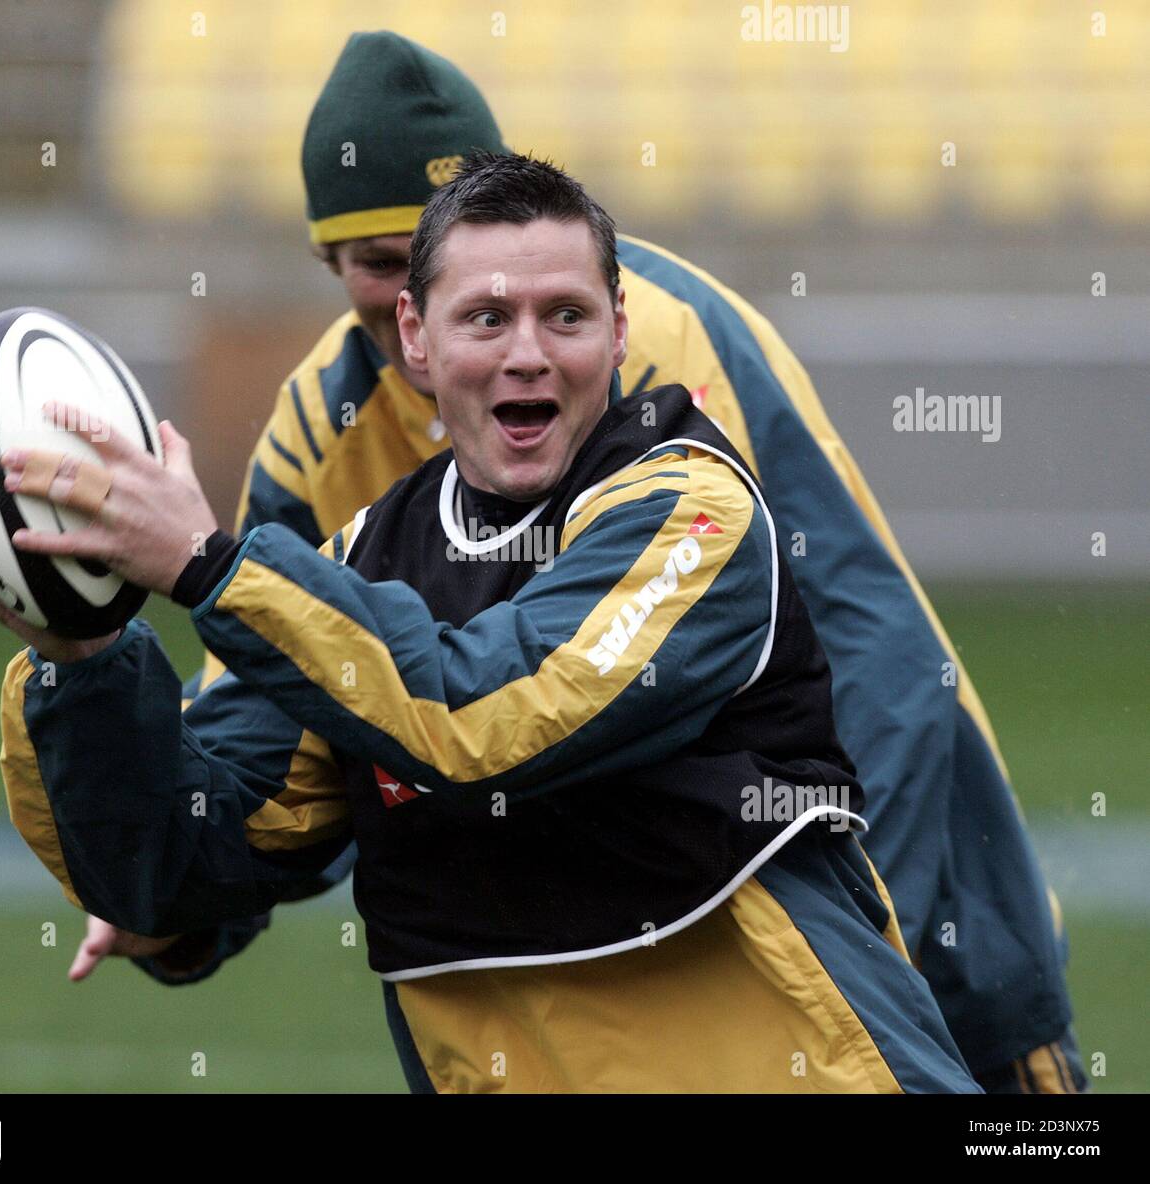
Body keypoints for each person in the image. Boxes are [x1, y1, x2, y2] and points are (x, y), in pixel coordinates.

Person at [90, 32, 1082, 1093]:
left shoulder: (666, 344)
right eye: (379, 265)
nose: (398, 304)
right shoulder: (315, 429)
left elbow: (868, 649)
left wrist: (869, 931)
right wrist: (185, 900)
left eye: (554, 310)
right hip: (568, 988)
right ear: (336, 267)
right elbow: (297, 705)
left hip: (891, 894)